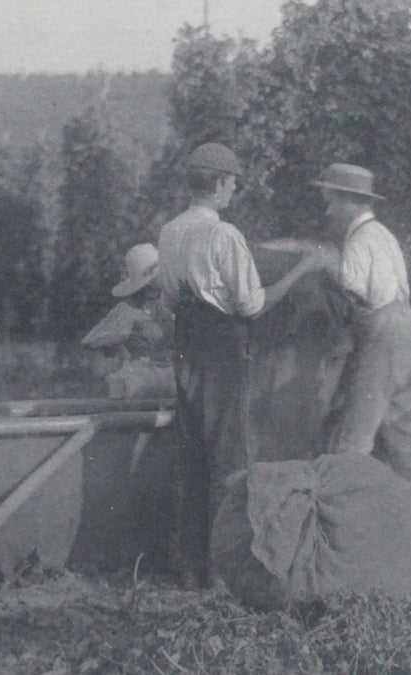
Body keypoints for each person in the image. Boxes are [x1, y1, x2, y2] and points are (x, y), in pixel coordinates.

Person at [157, 142, 323, 589]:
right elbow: (252, 305)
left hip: (185, 345)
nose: (234, 189)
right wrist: (297, 273)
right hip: (221, 347)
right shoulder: (224, 235)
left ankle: (189, 568)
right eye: (231, 182)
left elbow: (169, 300)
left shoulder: (169, 232)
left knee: (191, 454)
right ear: (217, 184)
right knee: (227, 456)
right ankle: (220, 571)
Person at [308, 163, 411, 489]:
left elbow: (354, 289)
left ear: (350, 201)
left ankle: (343, 529)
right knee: (402, 446)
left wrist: (323, 263)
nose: (329, 211)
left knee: (352, 444)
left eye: (331, 201)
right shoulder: (384, 236)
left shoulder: (360, 241)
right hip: (408, 344)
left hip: (384, 347)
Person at [81, 243, 175, 399]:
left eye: (159, 281)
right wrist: (115, 351)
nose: (156, 288)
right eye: (150, 284)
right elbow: (92, 343)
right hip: (141, 377)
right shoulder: (127, 310)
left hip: (172, 376)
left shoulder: (171, 306)